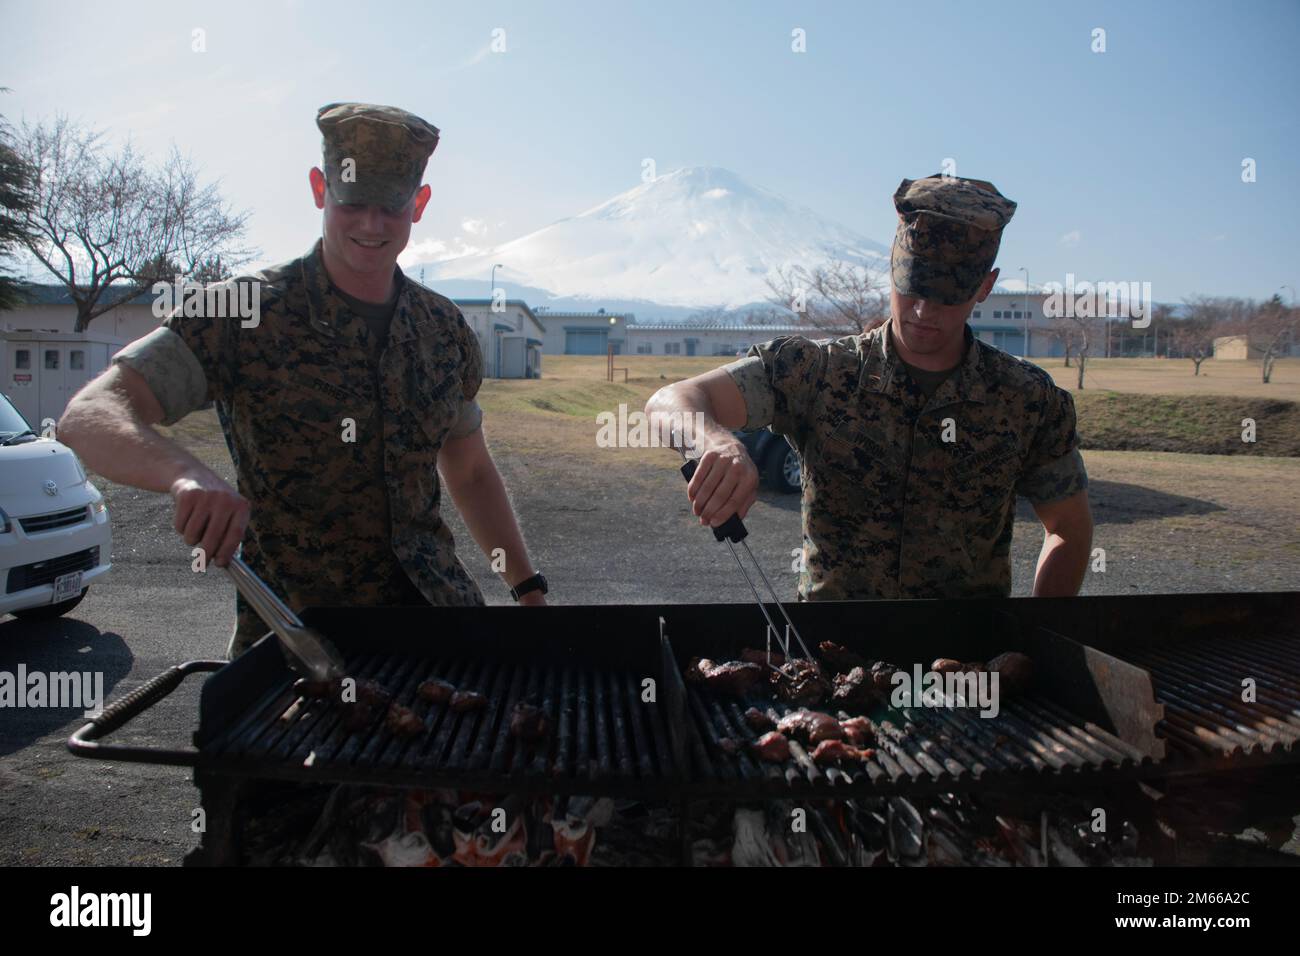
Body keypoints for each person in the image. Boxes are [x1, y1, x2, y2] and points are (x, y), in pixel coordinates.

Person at [59, 102, 548, 658]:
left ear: (420, 203)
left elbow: (472, 471)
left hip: (440, 630)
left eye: (391, 207)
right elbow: (90, 413)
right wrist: (185, 476)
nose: (371, 224)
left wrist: (527, 591)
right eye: (353, 201)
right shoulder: (242, 312)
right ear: (320, 189)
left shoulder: (443, 331)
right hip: (298, 649)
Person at [646, 173, 1093, 600]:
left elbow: (1068, 528)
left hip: (964, 667)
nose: (922, 311)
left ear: (985, 286)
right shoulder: (818, 370)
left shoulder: (1026, 399)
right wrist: (714, 443)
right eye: (912, 287)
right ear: (892, 266)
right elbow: (671, 401)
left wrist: (1036, 640)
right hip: (832, 659)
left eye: (946, 295)